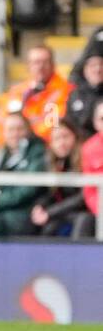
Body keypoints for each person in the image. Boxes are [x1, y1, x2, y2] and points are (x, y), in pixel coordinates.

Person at [0, 44, 74, 144]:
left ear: (53, 65)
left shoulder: (64, 91)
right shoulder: (17, 91)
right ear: (28, 66)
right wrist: (7, 141)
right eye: (36, 62)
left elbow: (51, 126)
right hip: (14, 146)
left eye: (45, 62)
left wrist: (22, 136)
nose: (40, 67)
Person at [25, 122, 87, 237]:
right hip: (59, 212)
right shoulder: (50, 163)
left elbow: (82, 197)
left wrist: (50, 212)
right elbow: (46, 193)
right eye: (56, 139)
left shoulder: (85, 159)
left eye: (65, 136)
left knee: (83, 220)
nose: (61, 143)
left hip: (81, 211)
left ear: (75, 137)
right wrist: (40, 207)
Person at [74, 101, 103, 239]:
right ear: (95, 122)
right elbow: (89, 189)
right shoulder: (89, 148)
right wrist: (100, 210)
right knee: (83, 221)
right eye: (102, 119)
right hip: (98, 209)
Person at [66, 53, 103, 137]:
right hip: (82, 143)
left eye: (101, 64)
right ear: (85, 70)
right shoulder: (75, 95)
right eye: (93, 65)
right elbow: (70, 123)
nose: (98, 69)